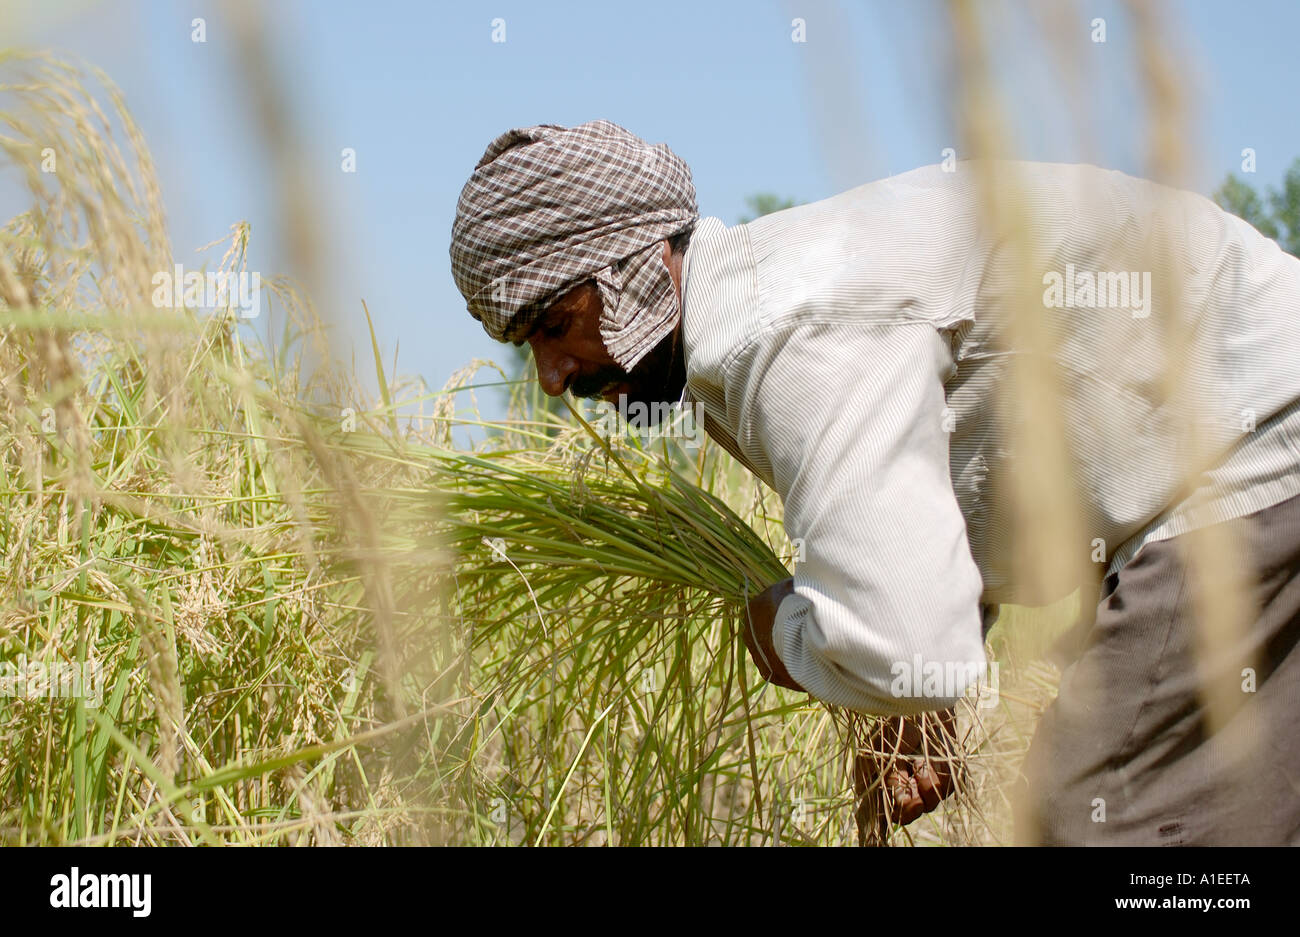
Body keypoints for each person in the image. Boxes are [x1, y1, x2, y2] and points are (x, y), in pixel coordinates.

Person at [449, 119, 1300, 845]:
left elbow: (900, 649)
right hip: (1239, 450)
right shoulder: (744, 331)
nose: (552, 376)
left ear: (634, 274)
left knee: (1096, 814)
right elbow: (946, 468)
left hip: (1257, 444)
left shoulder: (788, 335)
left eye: (558, 325)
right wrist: (908, 691)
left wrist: (782, 628)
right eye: (524, 342)